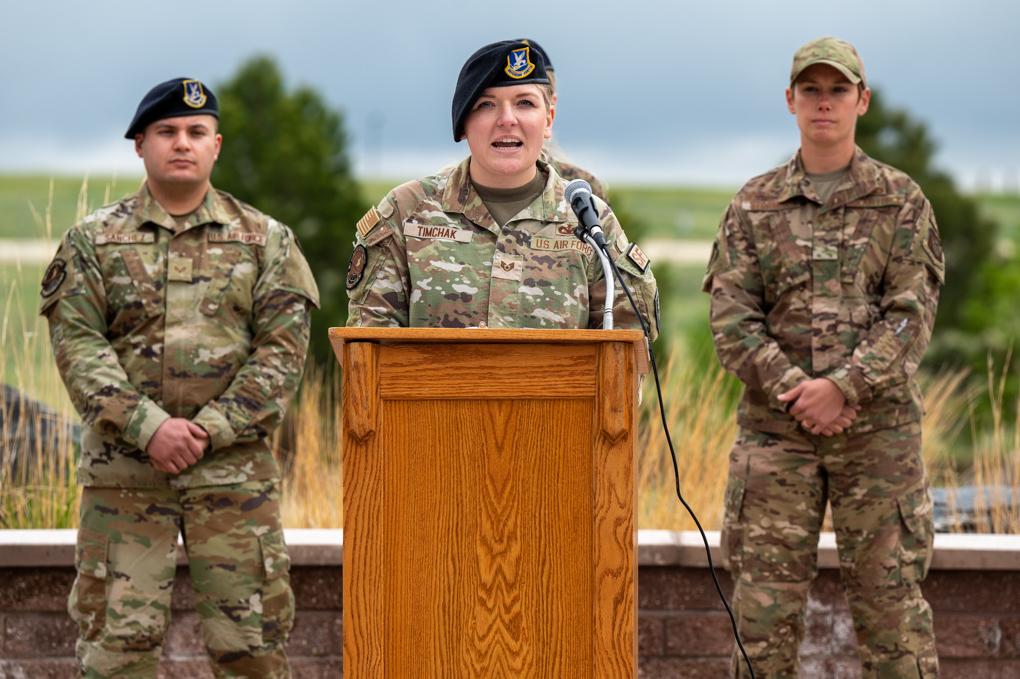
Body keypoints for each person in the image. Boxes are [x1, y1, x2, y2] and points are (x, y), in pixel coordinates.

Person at [39, 77, 319, 679]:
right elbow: (79, 346)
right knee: (116, 653)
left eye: (196, 132)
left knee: (254, 653)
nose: (182, 143)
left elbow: (282, 354)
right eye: (166, 131)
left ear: (217, 145)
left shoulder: (266, 242)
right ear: (139, 145)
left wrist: (209, 429)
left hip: (235, 480)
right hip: (126, 480)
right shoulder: (93, 243)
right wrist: (148, 428)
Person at [704, 37, 943, 678]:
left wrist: (845, 386)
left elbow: (910, 314)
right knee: (762, 623)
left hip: (879, 440)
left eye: (838, 90)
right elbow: (732, 319)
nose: (824, 103)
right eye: (811, 90)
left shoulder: (901, 202)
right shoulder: (754, 205)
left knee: (894, 622)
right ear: (790, 101)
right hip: (776, 439)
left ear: (862, 101)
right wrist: (799, 391)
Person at [346, 40, 657, 337]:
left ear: (548, 118)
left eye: (525, 103)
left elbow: (624, 356)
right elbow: (369, 348)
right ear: (463, 123)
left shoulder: (590, 223)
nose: (507, 119)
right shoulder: (406, 213)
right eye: (486, 104)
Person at [518, 38, 611, 203]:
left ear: (550, 106)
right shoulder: (458, 185)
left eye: (526, 102)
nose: (510, 117)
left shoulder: (580, 187)